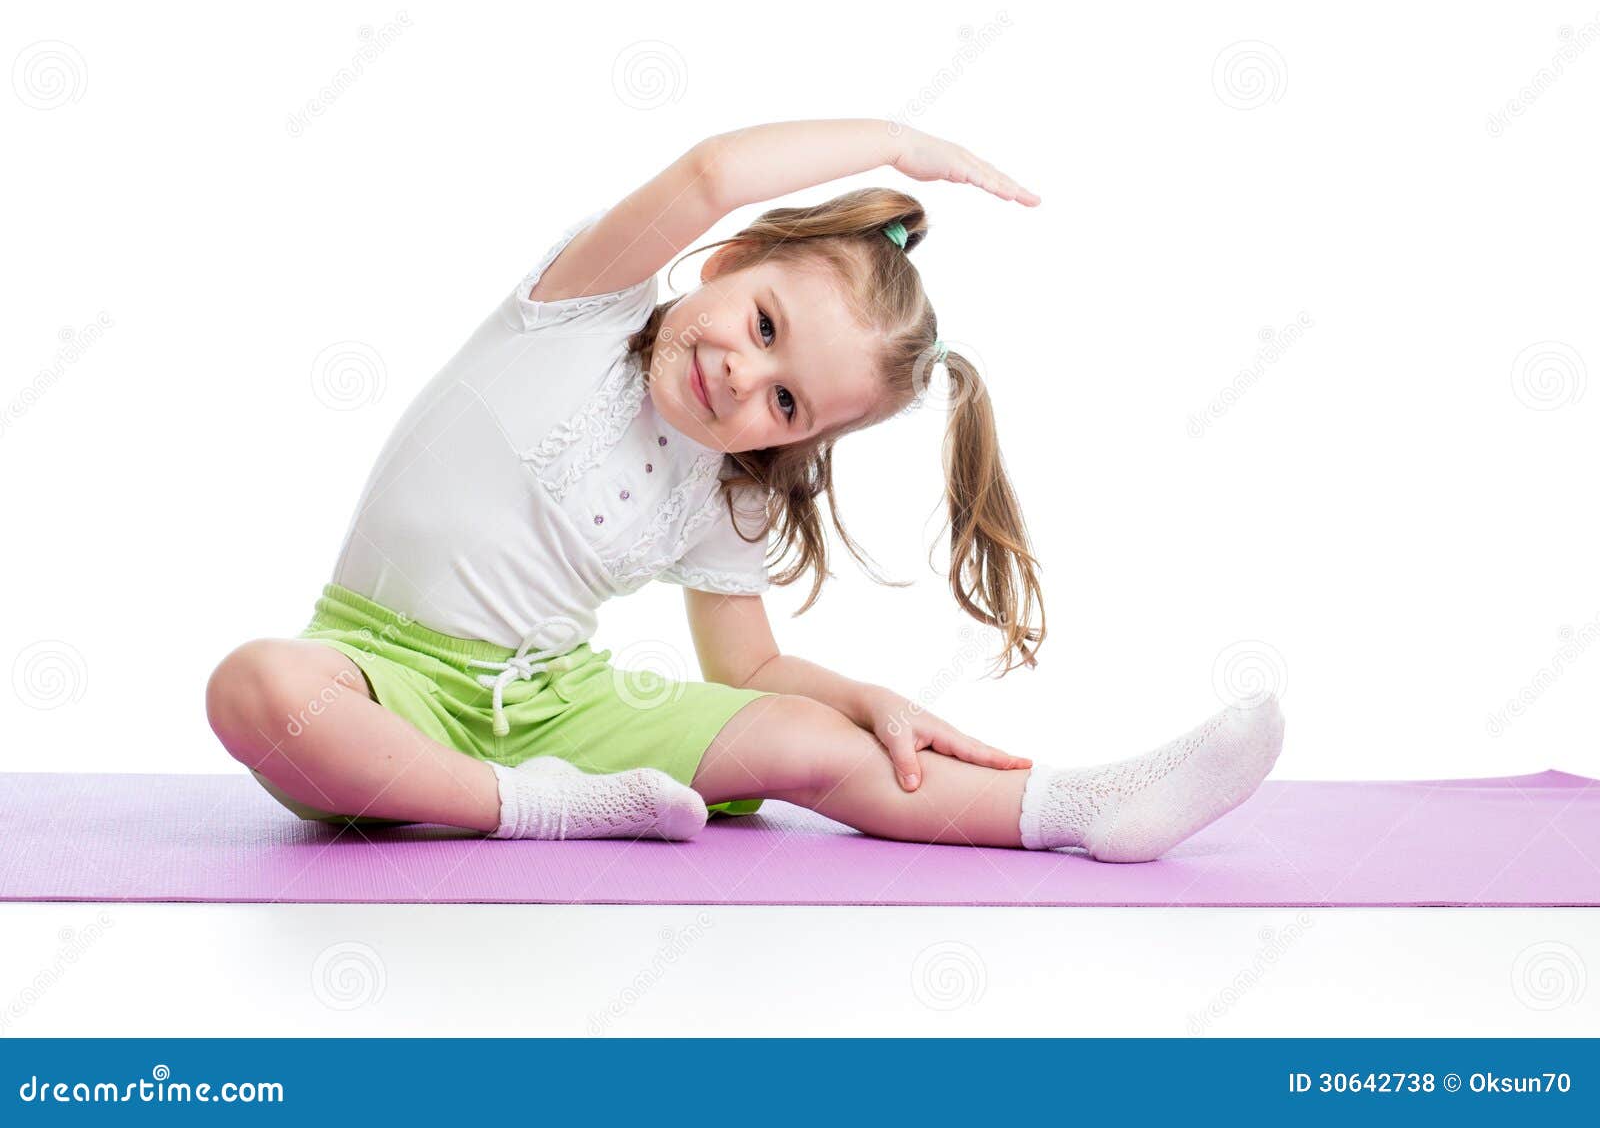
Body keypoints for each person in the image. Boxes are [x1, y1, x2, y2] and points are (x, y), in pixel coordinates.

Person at [204, 118, 1283, 862]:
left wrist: (867, 703)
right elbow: (712, 170)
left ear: (804, 435)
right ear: (733, 260)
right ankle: (536, 810)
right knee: (256, 687)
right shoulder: (575, 308)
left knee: (811, 748)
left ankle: (1076, 806)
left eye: (786, 402)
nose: (740, 377)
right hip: (380, 684)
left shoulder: (728, 489)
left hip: (557, 705)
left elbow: (747, 666)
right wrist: (897, 144)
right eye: (764, 326)